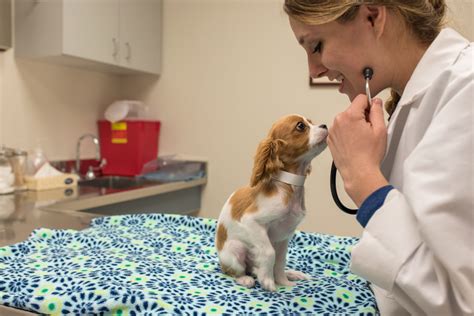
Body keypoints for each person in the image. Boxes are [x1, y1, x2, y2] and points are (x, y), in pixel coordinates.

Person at [284, 0, 473, 315]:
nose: (314, 69)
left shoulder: (467, 90)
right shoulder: (414, 99)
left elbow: (461, 303)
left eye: (316, 46)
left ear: (372, 17)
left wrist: (362, 177)